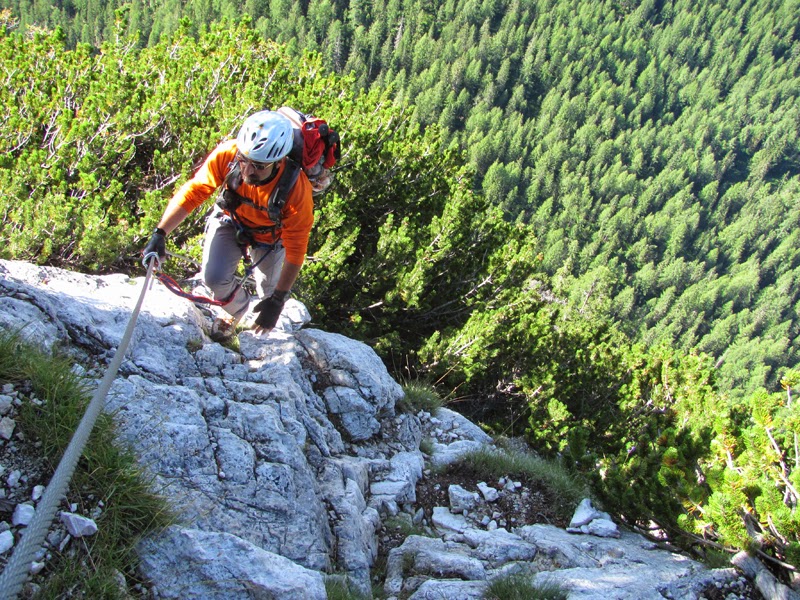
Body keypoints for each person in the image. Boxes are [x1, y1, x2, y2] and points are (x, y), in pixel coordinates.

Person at [142, 110, 314, 340]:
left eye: (259, 166)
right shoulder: (229, 154)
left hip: (271, 238)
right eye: (244, 161)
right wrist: (160, 232)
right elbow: (195, 191)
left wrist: (277, 300)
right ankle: (236, 310)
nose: (247, 171)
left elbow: (296, 249)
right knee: (214, 278)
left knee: (269, 292)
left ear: (278, 162)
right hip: (231, 220)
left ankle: (265, 316)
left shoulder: (296, 190)